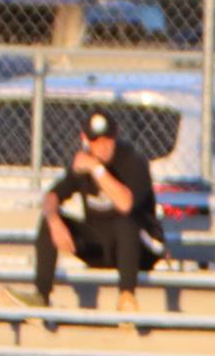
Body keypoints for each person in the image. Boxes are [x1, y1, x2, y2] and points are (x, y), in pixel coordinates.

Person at [10, 111, 164, 312]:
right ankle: (41, 295)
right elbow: (51, 197)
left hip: (141, 250)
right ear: (85, 139)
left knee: (124, 222)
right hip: (104, 248)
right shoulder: (82, 164)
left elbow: (125, 204)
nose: (102, 146)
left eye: (107, 139)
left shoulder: (133, 160)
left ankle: (127, 297)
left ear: (115, 135)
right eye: (95, 141)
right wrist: (54, 220)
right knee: (49, 221)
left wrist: (97, 169)